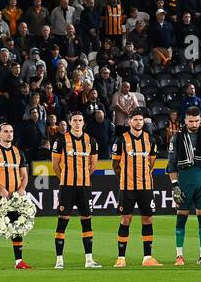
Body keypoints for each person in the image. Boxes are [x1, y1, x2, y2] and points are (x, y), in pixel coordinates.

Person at [51, 112, 100, 269]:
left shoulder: (91, 141)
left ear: (83, 122)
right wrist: (65, 178)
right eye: (74, 120)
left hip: (85, 187)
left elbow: (93, 165)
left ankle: (89, 260)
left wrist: (83, 177)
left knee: (87, 221)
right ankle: (59, 260)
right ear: (70, 123)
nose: (77, 123)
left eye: (80, 120)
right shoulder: (61, 140)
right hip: (67, 187)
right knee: (62, 221)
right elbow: (55, 165)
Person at [167, 108, 201, 265]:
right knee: (181, 217)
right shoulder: (177, 137)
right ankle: (179, 255)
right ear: (185, 120)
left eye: (197, 121)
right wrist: (175, 185)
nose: (194, 124)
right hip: (185, 180)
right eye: (191, 121)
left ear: (200, 120)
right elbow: (171, 164)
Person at [112, 111, 160, 268]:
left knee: (147, 219)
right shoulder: (121, 140)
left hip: (146, 187)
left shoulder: (150, 140)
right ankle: (121, 258)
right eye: (135, 119)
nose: (139, 122)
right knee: (126, 219)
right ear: (129, 121)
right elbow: (115, 165)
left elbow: (151, 163)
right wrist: (126, 177)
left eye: (141, 119)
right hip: (127, 187)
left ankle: (147, 258)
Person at [0, 123, 32, 270]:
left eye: (11, 131)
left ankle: (19, 261)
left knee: (18, 227)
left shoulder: (18, 152)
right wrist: (1, 189)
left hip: (16, 198)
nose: (9, 134)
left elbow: (24, 175)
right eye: (5, 131)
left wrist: (22, 188)